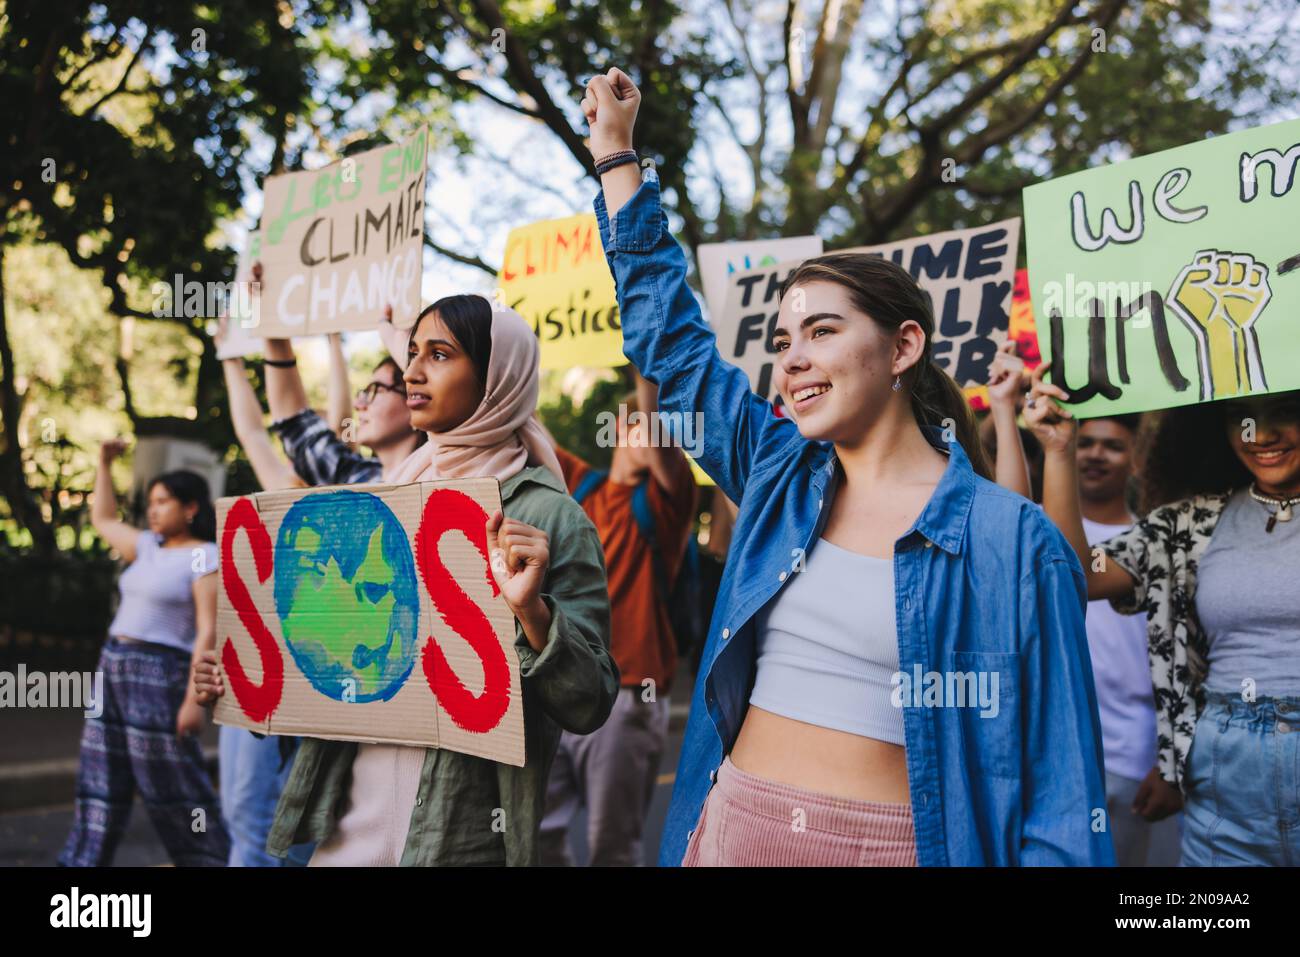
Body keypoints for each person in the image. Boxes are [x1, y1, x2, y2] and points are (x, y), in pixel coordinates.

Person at [580, 67, 1113, 866]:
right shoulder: (776, 472)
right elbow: (674, 345)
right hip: (728, 826)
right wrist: (617, 155)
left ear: (902, 346)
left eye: (822, 332)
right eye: (785, 341)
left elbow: (1064, 801)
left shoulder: (1013, 538)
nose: (792, 360)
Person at [196, 295, 619, 865]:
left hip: (459, 839)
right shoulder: (379, 504)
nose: (413, 372)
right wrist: (245, 677)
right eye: (412, 353)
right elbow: (332, 654)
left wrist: (535, 616)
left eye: (439, 355)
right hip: (345, 831)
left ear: (497, 376)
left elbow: (589, 702)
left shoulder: (550, 520)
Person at [1026, 370, 1300, 867]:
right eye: (1242, 417)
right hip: (1224, 779)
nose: (1260, 435)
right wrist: (1059, 450)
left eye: (1285, 412)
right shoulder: (1190, 524)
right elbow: (1077, 575)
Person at [539, 369, 697, 866]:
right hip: (558, 692)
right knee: (536, 837)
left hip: (627, 698)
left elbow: (655, 426)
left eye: (651, 428)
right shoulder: (581, 488)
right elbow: (523, 423)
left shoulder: (665, 503)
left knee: (612, 848)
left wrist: (645, 351)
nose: (645, 435)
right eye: (634, 425)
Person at [59, 446, 230, 866]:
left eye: (162, 502)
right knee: (100, 776)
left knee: (173, 783)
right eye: (150, 503)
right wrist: (102, 464)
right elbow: (103, 519)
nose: (152, 511)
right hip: (113, 667)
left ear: (190, 507)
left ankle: (212, 859)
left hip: (160, 677)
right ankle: (82, 864)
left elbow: (208, 630)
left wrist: (193, 702)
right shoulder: (149, 547)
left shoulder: (204, 556)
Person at [213, 316, 314, 867]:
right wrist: (230, 352)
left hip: (326, 682)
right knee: (246, 817)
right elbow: (253, 430)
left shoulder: (369, 486)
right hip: (261, 674)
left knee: (302, 832)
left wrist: (332, 341)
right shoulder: (290, 489)